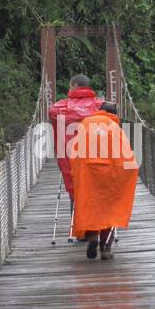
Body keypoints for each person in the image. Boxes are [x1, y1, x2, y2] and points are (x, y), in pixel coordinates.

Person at [69, 102, 138, 260]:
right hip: (110, 175)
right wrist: (129, 172)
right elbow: (126, 155)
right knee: (111, 208)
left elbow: (75, 152)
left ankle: (92, 237)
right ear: (114, 114)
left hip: (88, 174)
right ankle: (105, 247)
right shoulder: (115, 128)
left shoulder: (85, 123)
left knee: (91, 206)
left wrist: (76, 171)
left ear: (100, 111)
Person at [48, 74, 104, 209]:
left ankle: (77, 224)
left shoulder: (61, 107)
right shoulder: (102, 105)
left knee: (75, 191)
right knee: (97, 188)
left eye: (69, 86)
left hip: (71, 157)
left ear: (75, 86)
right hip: (96, 156)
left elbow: (52, 112)